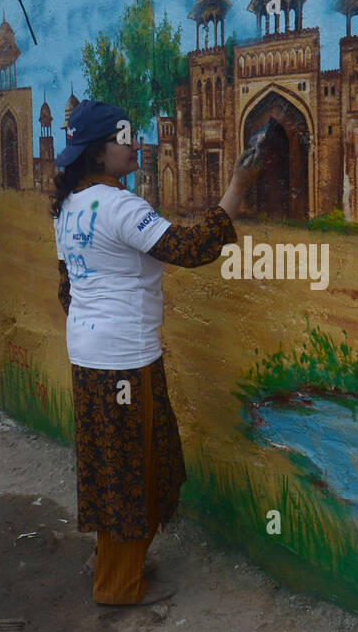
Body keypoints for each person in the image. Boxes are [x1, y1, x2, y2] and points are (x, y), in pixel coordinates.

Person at [53, 99, 264, 604]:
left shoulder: (70, 207)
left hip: (91, 355)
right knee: (134, 466)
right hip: (124, 360)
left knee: (128, 458)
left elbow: (67, 286)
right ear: (98, 154)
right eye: (124, 138)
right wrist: (237, 187)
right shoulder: (122, 207)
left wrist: (95, 325)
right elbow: (190, 250)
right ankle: (118, 586)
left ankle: (110, 555)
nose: (135, 145)